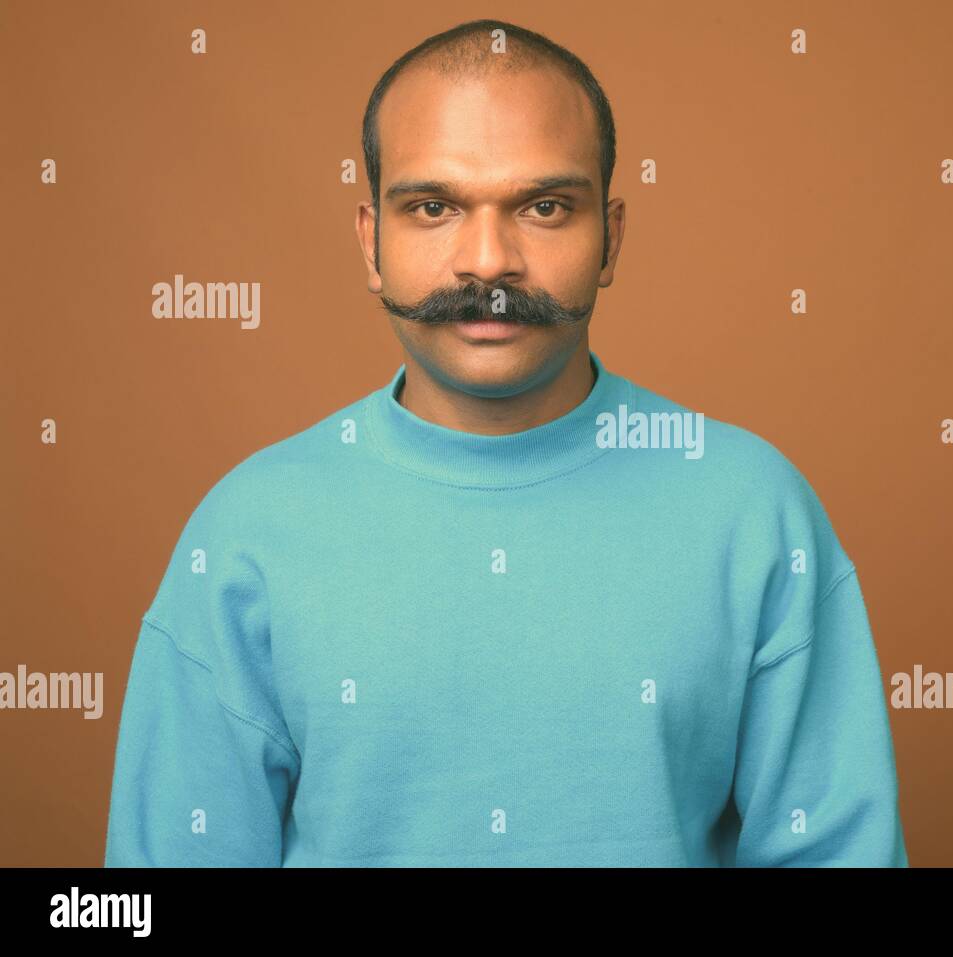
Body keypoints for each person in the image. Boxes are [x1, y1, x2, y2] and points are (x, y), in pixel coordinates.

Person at [103, 17, 908, 867]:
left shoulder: (754, 510)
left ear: (612, 238)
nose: (488, 262)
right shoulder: (244, 535)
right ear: (371, 242)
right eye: (434, 207)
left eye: (545, 206)